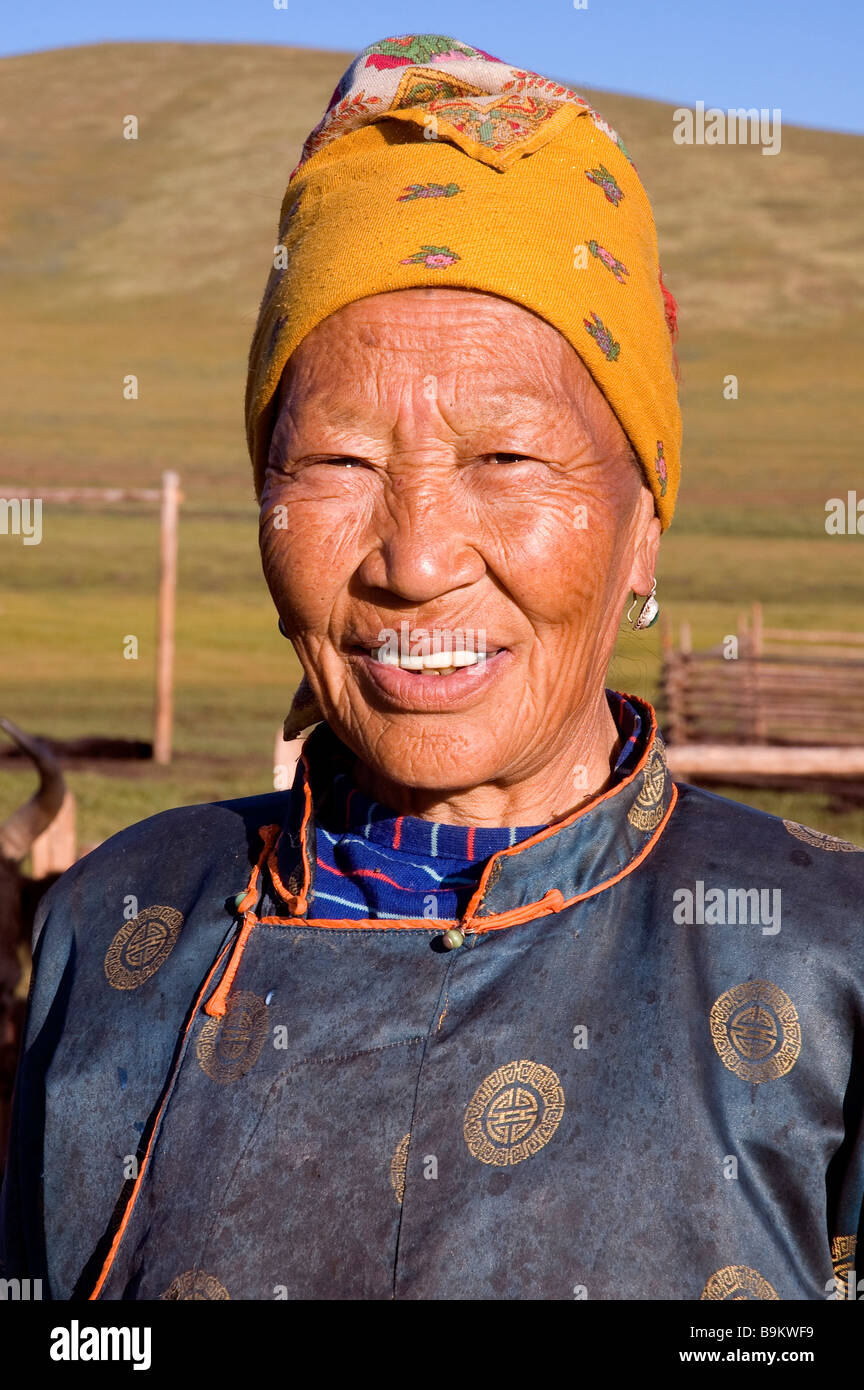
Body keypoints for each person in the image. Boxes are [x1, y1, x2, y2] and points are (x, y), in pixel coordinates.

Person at [3, 33, 862, 1302]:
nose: (412, 559)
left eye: (508, 461)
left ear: (642, 528)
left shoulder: (828, 955)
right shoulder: (115, 922)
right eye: (338, 465)